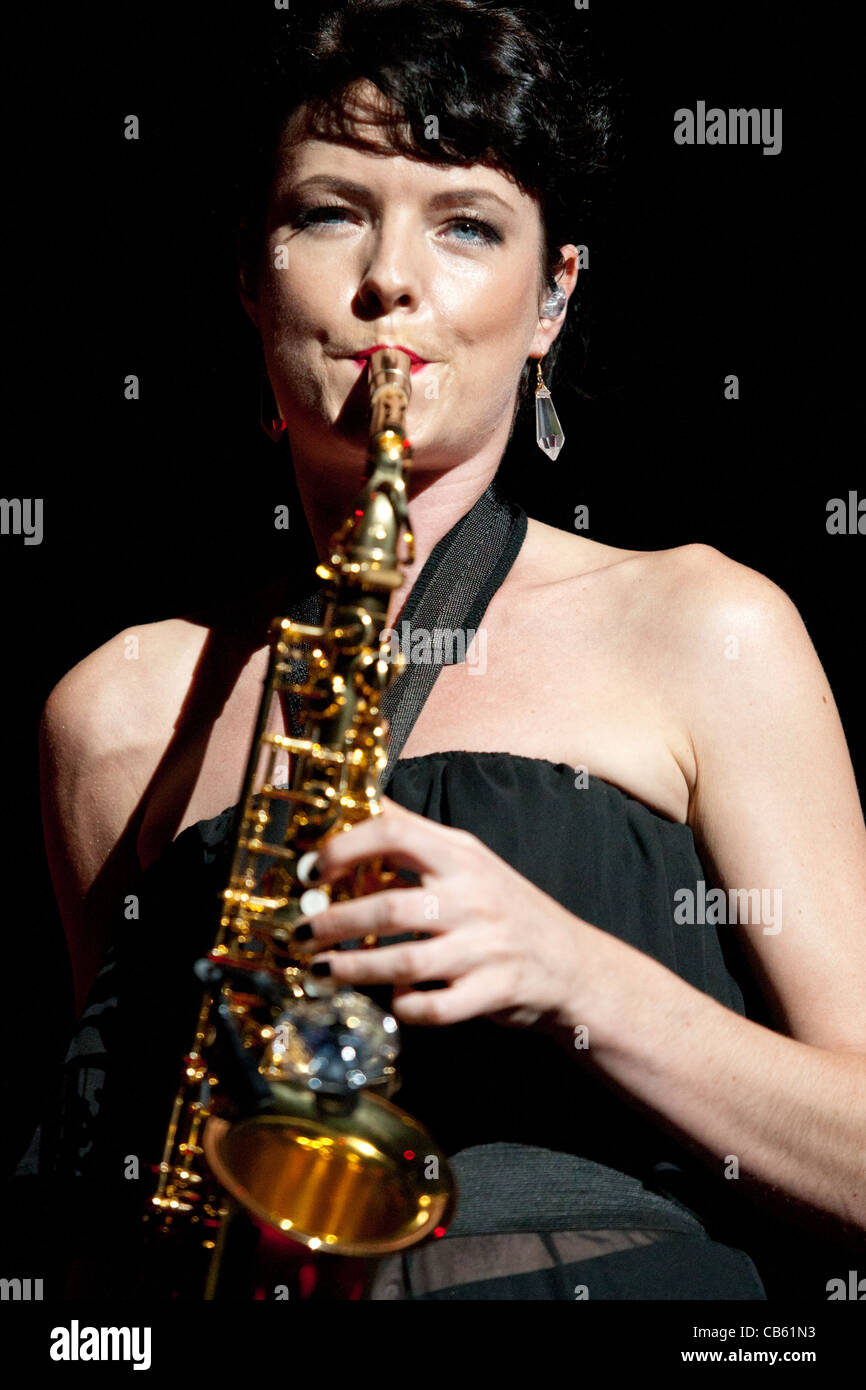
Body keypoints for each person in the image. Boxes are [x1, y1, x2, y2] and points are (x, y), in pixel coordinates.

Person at [36, 0, 866, 1300]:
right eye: (327, 212)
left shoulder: (704, 624)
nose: (390, 281)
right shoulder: (121, 709)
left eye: (466, 224)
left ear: (552, 299)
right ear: (250, 275)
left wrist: (565, 969)